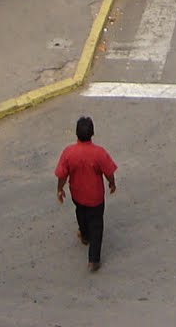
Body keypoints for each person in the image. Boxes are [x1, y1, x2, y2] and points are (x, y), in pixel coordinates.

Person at [55, 115, 118, 272]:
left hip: (77, 194)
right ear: (92, 133)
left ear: (76, 133)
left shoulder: (69, 152)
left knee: (81, 214)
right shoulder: (99, 153)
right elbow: (109, 172)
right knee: (97, 226)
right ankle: (93, 260)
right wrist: (112, 183)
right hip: (95, 197)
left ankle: (84, 235)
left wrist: (60, 189)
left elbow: (62, 174)